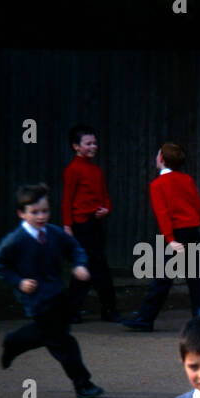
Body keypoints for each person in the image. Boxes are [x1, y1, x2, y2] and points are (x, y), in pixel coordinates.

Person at [0, 183, 104, 398]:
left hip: (56, 294)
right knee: (63, 342)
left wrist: (79, 264)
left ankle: (14, 342)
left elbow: (74, 247)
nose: (41, 216)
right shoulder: (16, 241)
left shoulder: (53, 233)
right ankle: (83, 384)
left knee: (49, 335)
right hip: (36, 300)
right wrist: (19, 281)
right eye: (34, 212)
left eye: (45, 211)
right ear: (21, 214)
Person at [123, 142, 200, 330]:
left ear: (161, 159)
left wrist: (170, 240)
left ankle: (145, 319)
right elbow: (199, 207)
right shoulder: (187, 180)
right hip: (192, 231)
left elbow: (163, 215)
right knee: (196, 280)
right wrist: (193, 224)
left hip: (175, 234)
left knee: (162, 279)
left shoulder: (157, 185)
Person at [61, 124, 121, 322]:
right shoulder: (72, 170)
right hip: (81, 224)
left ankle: (73, 309)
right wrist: (67, 226)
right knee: (96, 266)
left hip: (96, 223)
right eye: (88, 143)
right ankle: (107, 309)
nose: (93, 147)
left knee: (90, 265)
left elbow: (104, 195)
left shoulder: (97, 170)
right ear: (76, 147)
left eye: (94, 143)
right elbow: (67, 199)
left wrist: (107, 209)